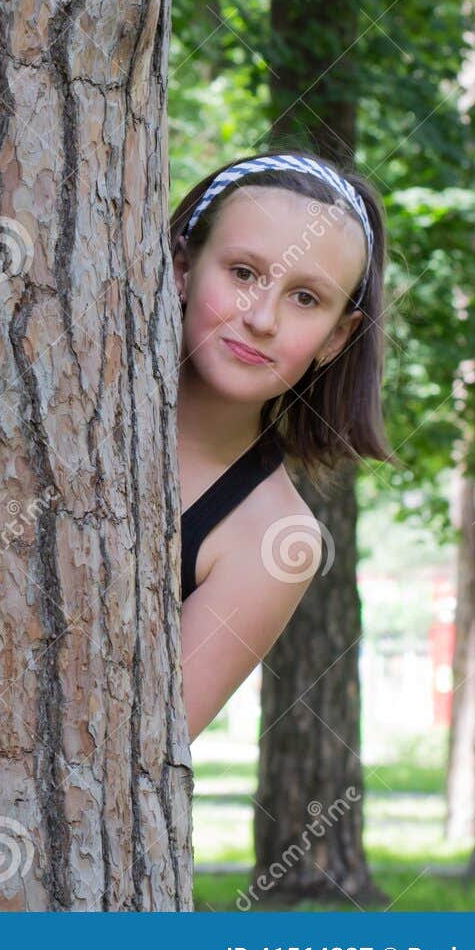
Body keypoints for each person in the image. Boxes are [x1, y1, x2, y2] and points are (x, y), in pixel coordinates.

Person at [170, 152, 393, 741]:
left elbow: (133, 750)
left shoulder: (273, 539)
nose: (262, 318)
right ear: (182, 266)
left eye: (305, 299)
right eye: (243, 273)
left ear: (336, 337)